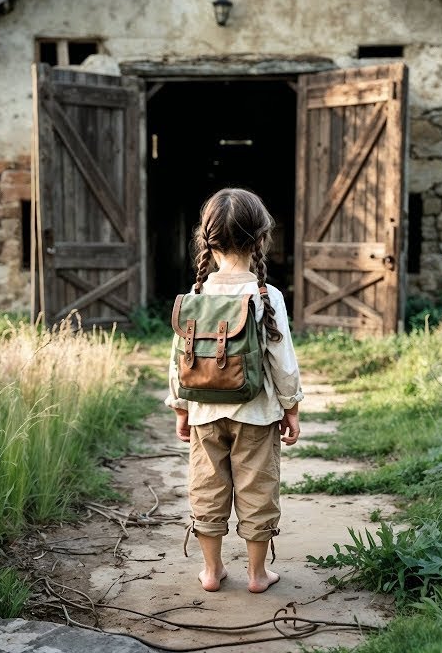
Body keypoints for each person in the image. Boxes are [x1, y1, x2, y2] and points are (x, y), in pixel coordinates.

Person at [166, 187, 304, 594]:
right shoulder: (266, 296)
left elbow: (179, 357)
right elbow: (283, 360)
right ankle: (258, 575)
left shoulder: (196, 294)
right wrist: (291, 406)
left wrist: (180, 408)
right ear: (261, 239)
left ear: (205, 242)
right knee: (258, 488)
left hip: (206, 414)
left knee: (207, 488)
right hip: (257, 414)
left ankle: (211, 571)